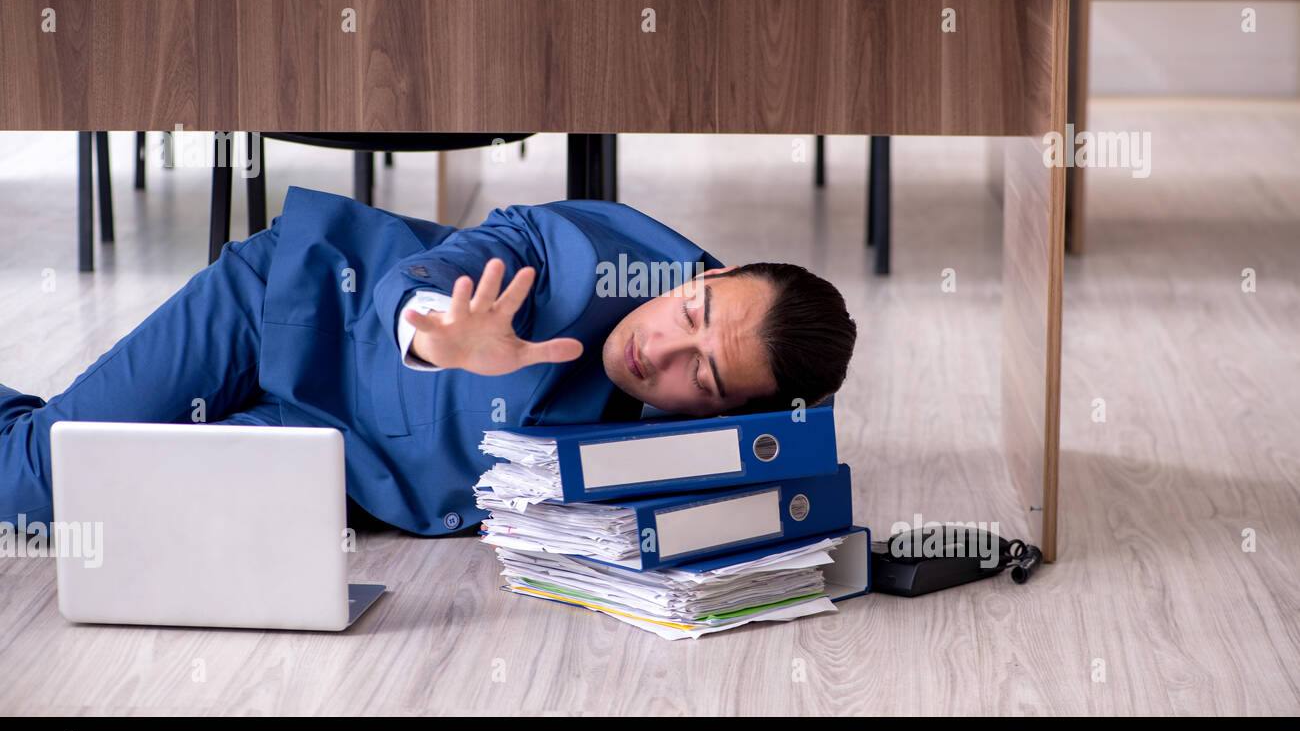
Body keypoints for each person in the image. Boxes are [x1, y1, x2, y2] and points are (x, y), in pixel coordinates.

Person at [1, 186, 856, 536]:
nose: (659, 346)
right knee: (43, 482)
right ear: (708, 274)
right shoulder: (596, 252)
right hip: (291, 315)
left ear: (722, 412)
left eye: (698, 375)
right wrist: (436, 329)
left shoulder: (703, 445)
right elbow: (441, 270)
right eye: (693, 309)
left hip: (339, 462)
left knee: (101, 497)